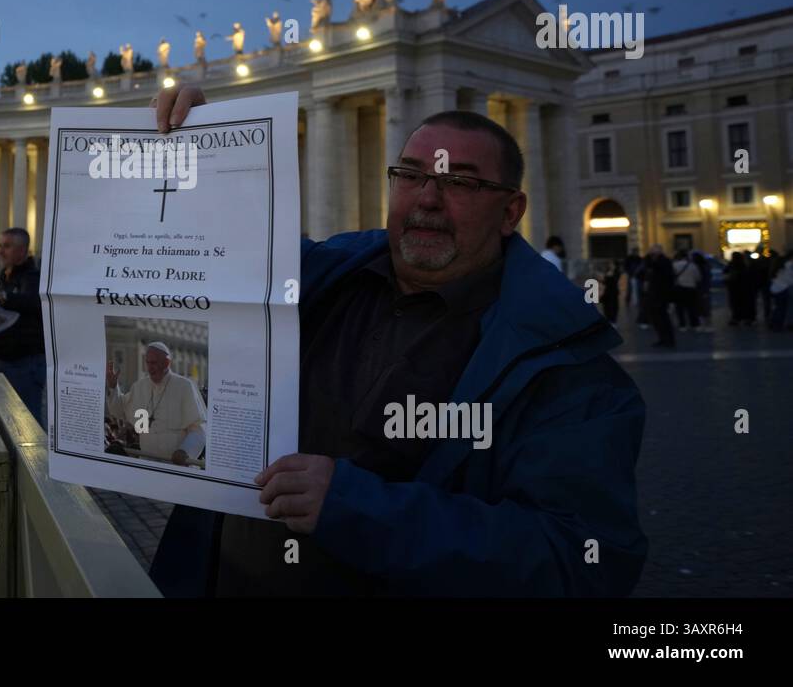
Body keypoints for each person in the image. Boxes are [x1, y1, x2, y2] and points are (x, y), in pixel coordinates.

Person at [148, 84, 646, 597]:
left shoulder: (567, 367)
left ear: (510, 211)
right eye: (410, 175)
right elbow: (215, 239)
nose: (428, 198)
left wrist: (358, 507)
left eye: (459, 183)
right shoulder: (319, 275)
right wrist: (207, 140)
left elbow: (584, 559)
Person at [0, 228, 46, 426]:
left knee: (28, 424)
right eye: (0, 246)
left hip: (25, 363)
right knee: (7, 421)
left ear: (22, 251)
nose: (1, 252)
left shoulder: (34, 277)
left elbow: (32, 301)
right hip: (2, 360)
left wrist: (2, 297)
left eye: (7, 246)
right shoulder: (3, 277)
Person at [105, 342, 206, 465]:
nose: (150, 367)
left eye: (154, 363)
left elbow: (198, 430)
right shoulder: (140, 387)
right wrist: (113, 387)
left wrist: (185, 451)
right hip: (147, 461)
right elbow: (119, 409)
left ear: (167, 363)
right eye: (148, 362)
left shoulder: (184, 386)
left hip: (175, 465)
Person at [644, 245, 676, 348]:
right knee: (657, 319)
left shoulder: (664, 262)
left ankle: (668, 339)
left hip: (661, 295)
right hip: (654, 294)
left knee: (663, 318)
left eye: (653, 250)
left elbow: (666, 278)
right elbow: (647, 265)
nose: (651, 252)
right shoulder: (654, 261)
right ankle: (662, 338)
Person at [671, 249, 701, 330]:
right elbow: (698, 278)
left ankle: (682, 325)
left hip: (679, 288)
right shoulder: (693, 265)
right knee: (692, 307)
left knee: (680, 308)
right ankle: (695, 324)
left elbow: (671, 277)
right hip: (691, 288)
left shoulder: (674, 265)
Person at [724, 252, 756, 326]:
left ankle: (737, 318)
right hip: (744, 288)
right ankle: (746, 318)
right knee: (744, 303)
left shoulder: (732, 265)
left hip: (734, 288)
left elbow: (726, 274)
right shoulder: (744, 265)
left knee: (736, 304)